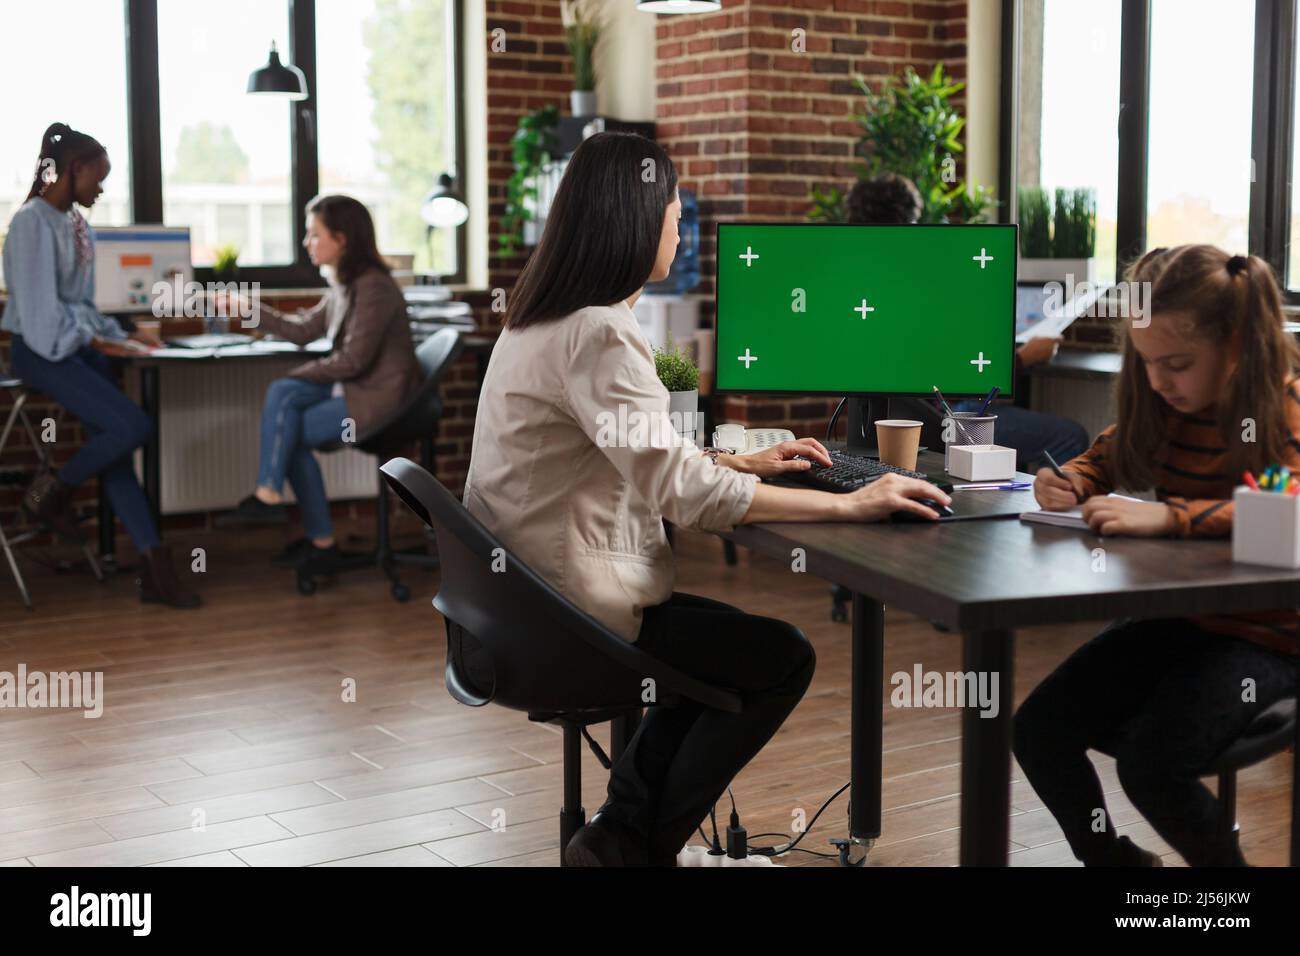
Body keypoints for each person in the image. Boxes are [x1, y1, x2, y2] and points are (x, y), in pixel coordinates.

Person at [465, 132, 950, 866]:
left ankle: (618, 834)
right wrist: (853, 502)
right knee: (778, 657)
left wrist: (736, 458)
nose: (681, 229)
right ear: (634, 221)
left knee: (729, 651)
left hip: (523, 608)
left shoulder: (540, 320)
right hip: (568, 614)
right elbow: (685, 495)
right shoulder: (599, 332)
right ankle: (631, 845)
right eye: (675, 214)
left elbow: (630, 451)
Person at [1015, 244, 1300, 866]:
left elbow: (1285, 504)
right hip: (1186, 621)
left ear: (1239, 347)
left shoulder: (1283, 412)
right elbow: (1109, 451)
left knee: (1151, 768)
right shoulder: (1169, 406)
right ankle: (1118, 868)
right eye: (1145, 363)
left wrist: (1170, 518)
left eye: (1177, 363)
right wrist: (1074, 479)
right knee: (1037, 730)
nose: (1158, 381)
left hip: (1270, 639)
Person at [2, 122, 199, 608]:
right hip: (40, 350)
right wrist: (99, 342)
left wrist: (122, 338)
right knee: (132, 426)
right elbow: (44, 317)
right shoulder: (30, 223)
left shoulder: (76, 226)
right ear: (74, 169)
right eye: (98, 177)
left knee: (113, 448)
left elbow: (83, 306)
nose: (102, 187)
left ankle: (154, 568)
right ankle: (50, 493)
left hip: (72, 345)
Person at [215, 195, 421, 572]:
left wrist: (298, 375)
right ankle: (278, 503)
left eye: (314, 235)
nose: (307, 243)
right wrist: (249, 309)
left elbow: (354, 360)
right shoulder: (345, 284)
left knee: (287, 417)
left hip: (379, 401)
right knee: (283, 397)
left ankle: (299, 522)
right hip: (357, 388)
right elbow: (302, 331)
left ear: (341, 239)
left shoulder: (374, 287)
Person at [846, 173, 1090, 472]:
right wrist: (1023, 358)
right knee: (1070, 435)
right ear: (909, 221)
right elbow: (949, 372)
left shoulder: (856, 278)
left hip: (884, 421)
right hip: (943, 417)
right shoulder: (913, 282)